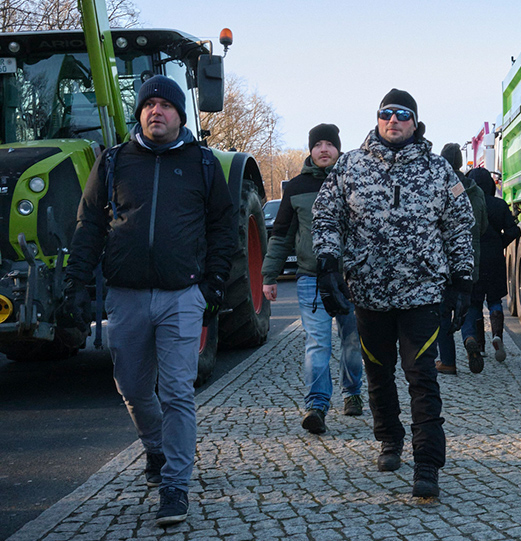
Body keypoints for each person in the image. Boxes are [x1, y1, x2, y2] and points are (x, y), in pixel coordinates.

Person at [59, 75, 236, 527]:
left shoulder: (202, 164)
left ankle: (176, 485)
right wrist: (76, 284)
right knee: (133, 388)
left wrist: (212, 284)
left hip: (183, 295)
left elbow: (223, 226)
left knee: (177, 390)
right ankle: (155, 450)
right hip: (126, 294)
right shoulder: (114, 161)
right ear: (140, 113)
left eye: (166, 105)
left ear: (180, 115)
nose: (156, 111)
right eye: (149, 104)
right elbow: (89, 225)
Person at [313, 89, 475, 498]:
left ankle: (427, 465)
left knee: (422, 377)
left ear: (415, 123)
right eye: (386, 113)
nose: (393, 120)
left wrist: (462, 280)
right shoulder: (350, 165)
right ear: (377, 119)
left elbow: (459, 225)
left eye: (403, 114)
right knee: (378, 373)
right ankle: (389, 438)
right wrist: (328, 264)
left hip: (421, 293)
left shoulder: (439, 171)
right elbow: (327, 215)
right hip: (368, 294)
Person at [261, 123, 364, 435]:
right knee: (317, 342)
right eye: (317, 144)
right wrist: (269, 275)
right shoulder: (295, 187)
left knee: (352, 340)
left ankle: (353, 392)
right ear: (310, 150)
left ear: (337, 148)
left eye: (329, 144)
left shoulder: (354, 181)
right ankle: (316, 405)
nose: (323, 150)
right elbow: (280, 236)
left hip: (350, 279)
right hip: (311, 279)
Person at [462, 167, 521, 367]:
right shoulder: (499, 204)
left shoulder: (468, 203)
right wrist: (500, 243)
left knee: (476, 302)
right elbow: (515, 230)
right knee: (495, 300)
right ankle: (497, 336)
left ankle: (479, 345)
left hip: (474, 257)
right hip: (495, 257)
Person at [436, 143, 487, 375]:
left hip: (444, 260)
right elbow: (483, 225)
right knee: (468, 304)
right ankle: (469, 339)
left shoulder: (439, 185)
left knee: (444, 311)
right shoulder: (475, 191)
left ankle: (448, 361)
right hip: (470, 257)